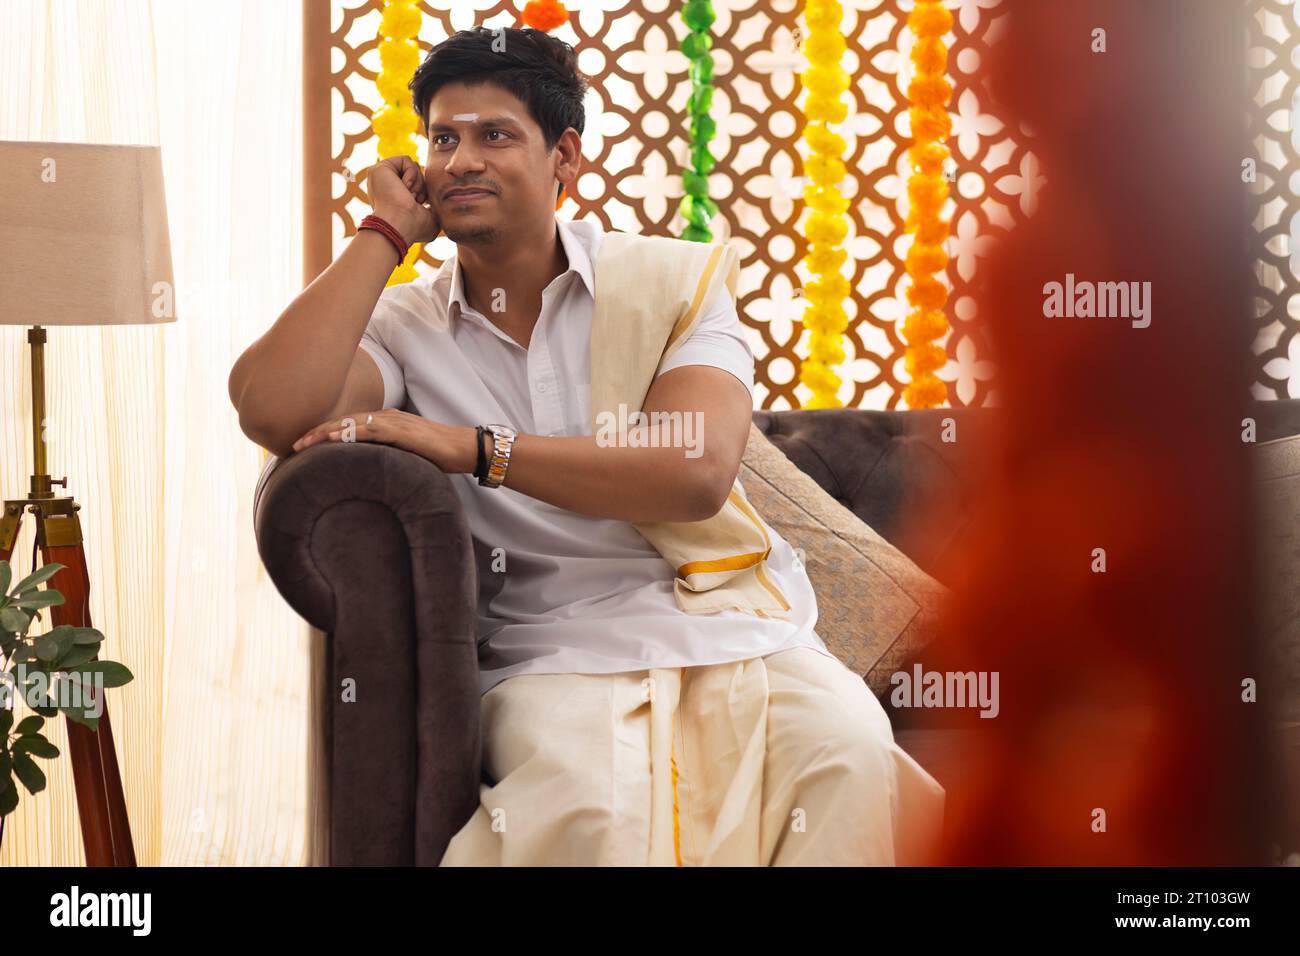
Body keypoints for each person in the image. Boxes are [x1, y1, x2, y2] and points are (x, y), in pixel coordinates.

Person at [229, 25, 943, 866]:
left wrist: (472, 448)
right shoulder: (405, 325)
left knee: (845, 751)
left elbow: (695, 477)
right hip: (548, 643)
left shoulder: (672, 284)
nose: (461, 160)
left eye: (495, 135)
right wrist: (381, 236)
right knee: (595, 813)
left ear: (565, 157)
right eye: (443, 138)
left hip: (723, 620)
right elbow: (269, 408)